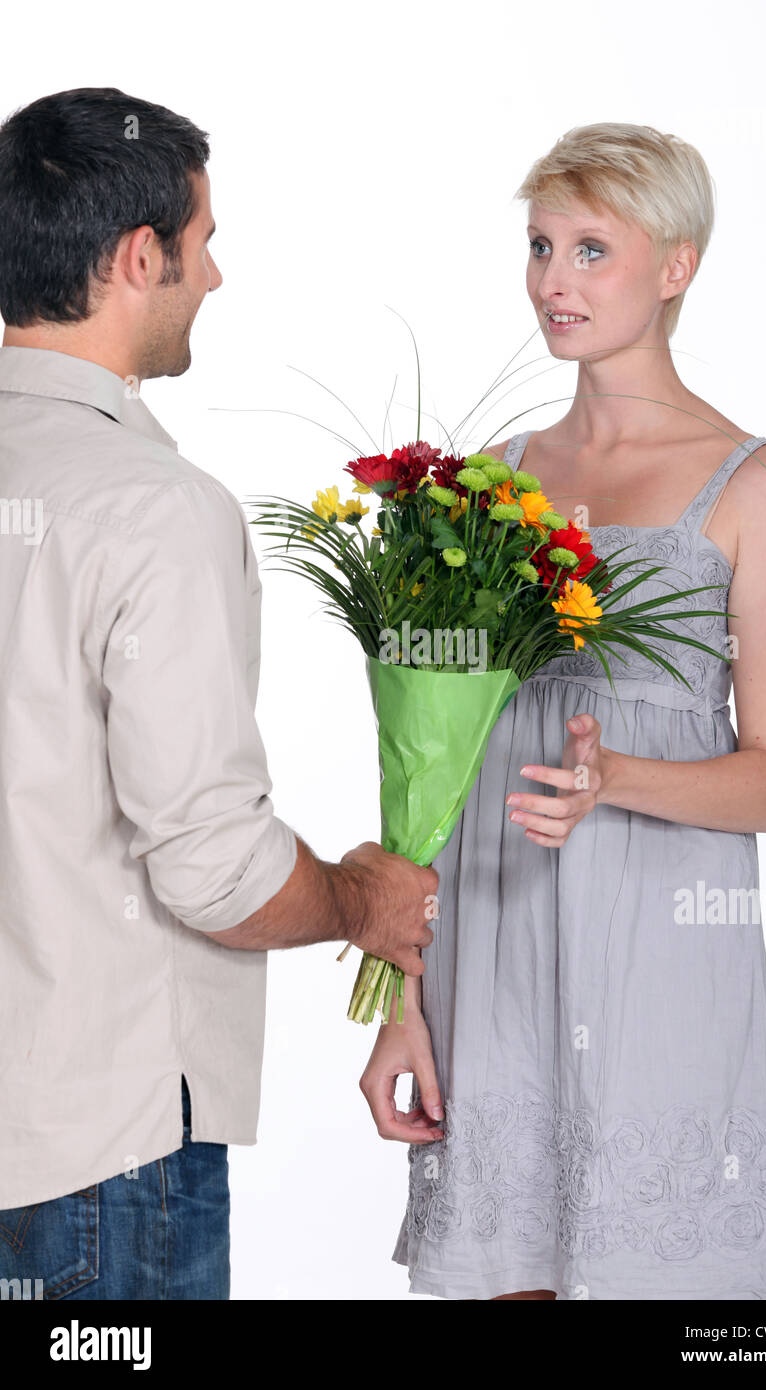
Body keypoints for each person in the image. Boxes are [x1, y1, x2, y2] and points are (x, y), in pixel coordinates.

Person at [361, 122, 766, 1301]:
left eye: (589, 250)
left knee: (648, 1276)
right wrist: (399, 997)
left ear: (676, 266)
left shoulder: (749, 485)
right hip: (491, 932)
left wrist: (617, 778)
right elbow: (427, 762)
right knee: (503, 1274)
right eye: (539, 246)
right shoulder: (485, 484)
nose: (553, 281)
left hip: (659, 941)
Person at [0, 87, 439, 1301]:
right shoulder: (149, 507)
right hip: (98, 1158)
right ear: (139, 257)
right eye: (201, 242)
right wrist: (360, 899)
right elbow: (209, 864)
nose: (217, 275)